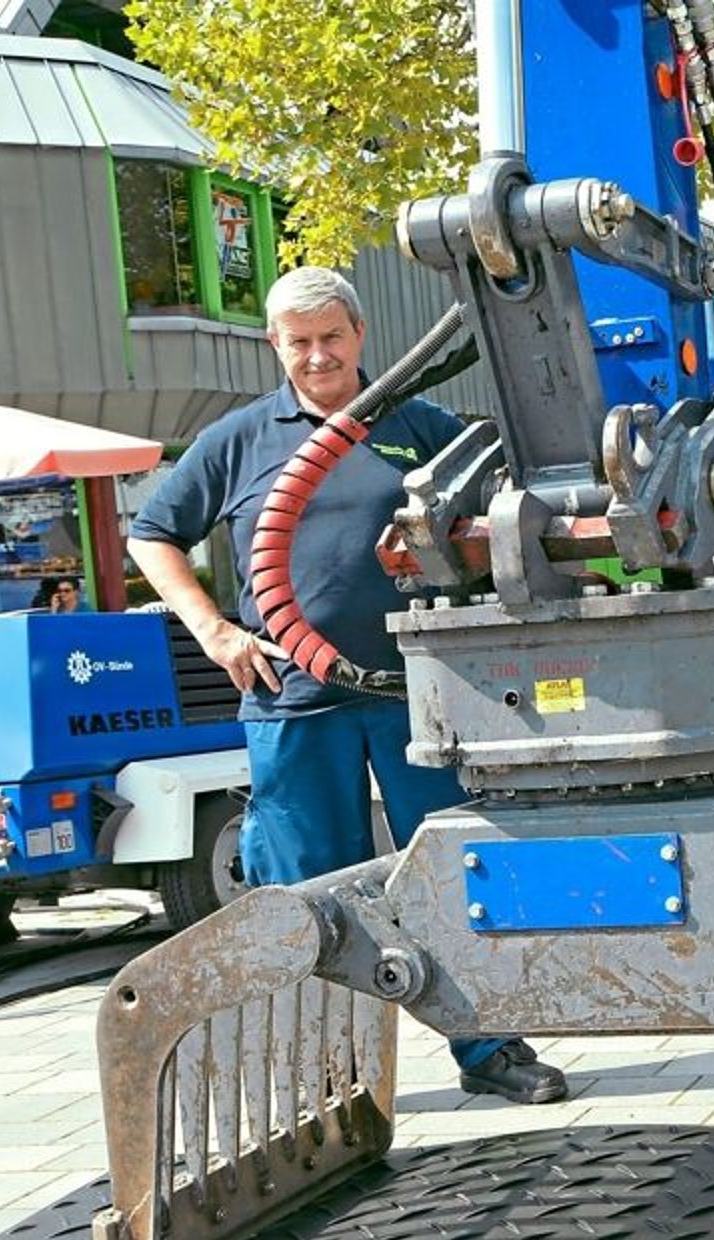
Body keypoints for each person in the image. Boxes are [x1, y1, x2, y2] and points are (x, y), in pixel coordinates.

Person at [127, 267, 568, 1105]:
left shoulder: (418, 423)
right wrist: (213, 629)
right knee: (305, 891)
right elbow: (153, 534)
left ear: (361, 336)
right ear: (275, 346)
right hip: (292, 698)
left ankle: (490, 1049)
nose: (318, 356)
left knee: (446, 870)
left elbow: (500, 505)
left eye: (332, 338)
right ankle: (327, 1075)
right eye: (300, 343)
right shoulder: (242, 439)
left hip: (417, 697)